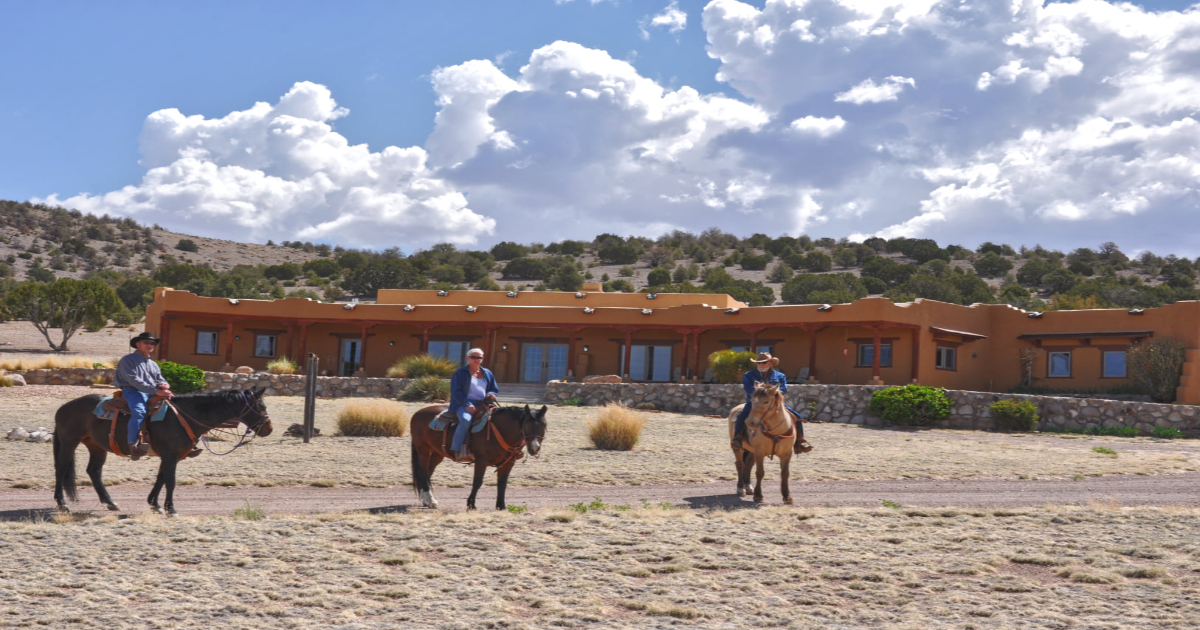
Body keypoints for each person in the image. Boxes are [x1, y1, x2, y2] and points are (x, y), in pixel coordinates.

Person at [730, 352, 813, 454]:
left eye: (764, 362)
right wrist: (762, 394)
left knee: (797, 416)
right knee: (742, 415)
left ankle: (800, 441)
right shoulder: (749, 375)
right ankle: (738, 438)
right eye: (758, 363)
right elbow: (748, 389)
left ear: (770, 363)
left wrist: (771, 394)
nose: (760, 365)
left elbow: (784, 389)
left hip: (775, 403)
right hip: (755, 403)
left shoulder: (780, 376)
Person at [113, 332, 174, 461]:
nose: (150, 345)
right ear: (138, 344)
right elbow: (134, 380)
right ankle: (133, 445)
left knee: (175, 409)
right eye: (146, 342)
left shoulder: (153, 364)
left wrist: (165, 384)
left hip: (151, 391)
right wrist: (156, 391)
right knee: (139, 412)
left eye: (152, 343)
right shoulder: (127, 360)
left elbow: (159, 378)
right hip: (132, 391)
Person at [448, 348, 499, 462]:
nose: (477, 359)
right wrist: (467, 404)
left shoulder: (487, 373)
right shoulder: (460, 373)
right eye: (474, 357)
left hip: (483, 403)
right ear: (467, 358)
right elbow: (456, 391)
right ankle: (457, 449)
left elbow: (493, 388)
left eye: (479, 357)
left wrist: (492, 394)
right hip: (463, 403)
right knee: (466, 420)